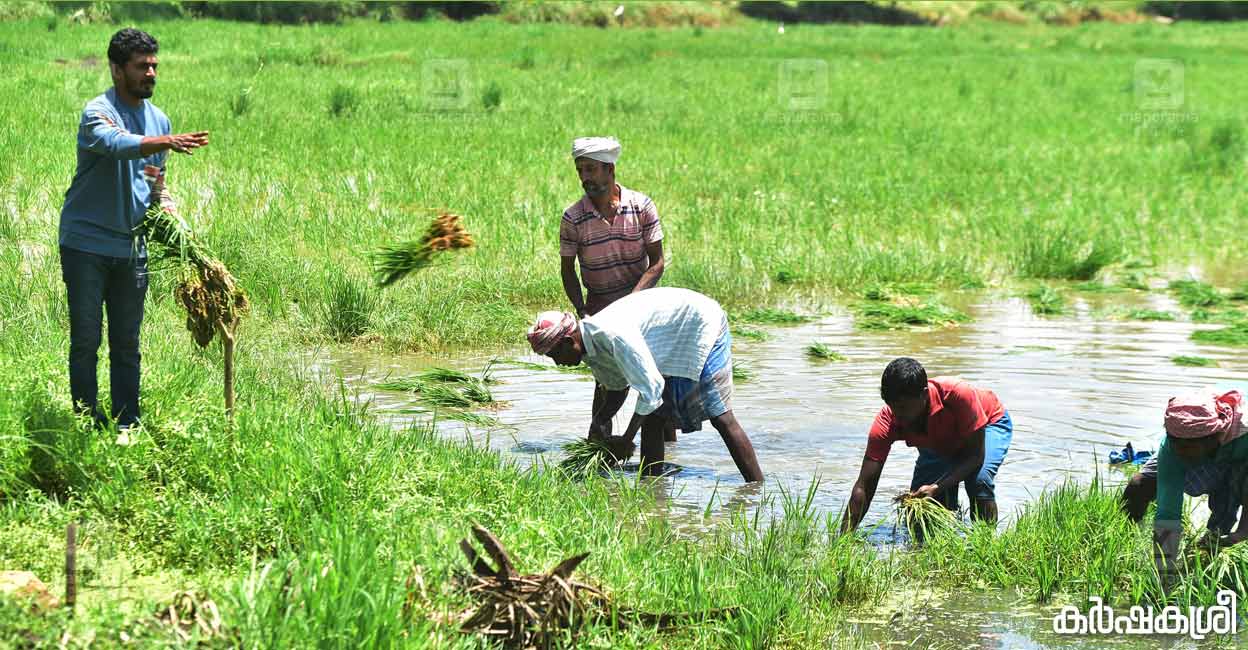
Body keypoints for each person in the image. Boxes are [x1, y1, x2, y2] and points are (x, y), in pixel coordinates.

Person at [59, 28, 209, 429]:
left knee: (126, 343)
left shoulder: (160, 120)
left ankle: (128, 423)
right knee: (87, 339)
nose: (151, 73)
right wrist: (163, 140)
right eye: (142, 66)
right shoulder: (98, 112)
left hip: (131, 250)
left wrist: (176, 218)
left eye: (154, 65)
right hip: (86, 245)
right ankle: (86, 421)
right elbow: (115, 143)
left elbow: (154, 183)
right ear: (116, 69)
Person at [526, 287, 763, 482]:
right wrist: (599, 421)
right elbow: (618, 387)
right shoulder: (590, 348)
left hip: (700, 324)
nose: (558, 363)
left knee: (720, 415)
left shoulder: (612, 335)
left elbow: (650, 390)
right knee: (654, 417)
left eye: (555, 355)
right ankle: (653, 487)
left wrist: (627, 439)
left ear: (568, 342)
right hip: (669, 336)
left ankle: (756, 487)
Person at [559, 136, 665, 439]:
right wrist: (582, 310)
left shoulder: (641, 206)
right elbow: (568, 270)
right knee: (606, 379)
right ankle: (598, 442)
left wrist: (632, 304)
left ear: (609, 169)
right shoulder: (573, 217)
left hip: (642, 306)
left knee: (653, 376)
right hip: (599, 308)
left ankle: (659, 453)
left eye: (591, 169)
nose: (585, 178)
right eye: (580, 170)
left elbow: (657, 263)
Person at [841, 358, 1013, 533]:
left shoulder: (957, 394)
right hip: (939, 438)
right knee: (921, 509)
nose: (898, 417)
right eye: (893, 407)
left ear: (924, 394)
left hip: (988, 424)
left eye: (904, 408)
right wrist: (842, 541)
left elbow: (976, 456)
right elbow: (865, 485)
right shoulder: (888, 421)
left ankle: (986, 541)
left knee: (979, 480)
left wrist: (938, 486)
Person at [1120, 388, 1248, 586]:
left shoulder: (1243, 434)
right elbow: (1167, 513)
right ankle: (1123, 539)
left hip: (1239, 460)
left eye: (1188, 447)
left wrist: (1243, 531)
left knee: (1228, 505)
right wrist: (1164, 569)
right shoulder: (1173, 449)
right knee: (1139, 485)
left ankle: (1218, 537)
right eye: (1175, 444)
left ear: (1212, 437)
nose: (1181, 452)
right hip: (1210, 457)